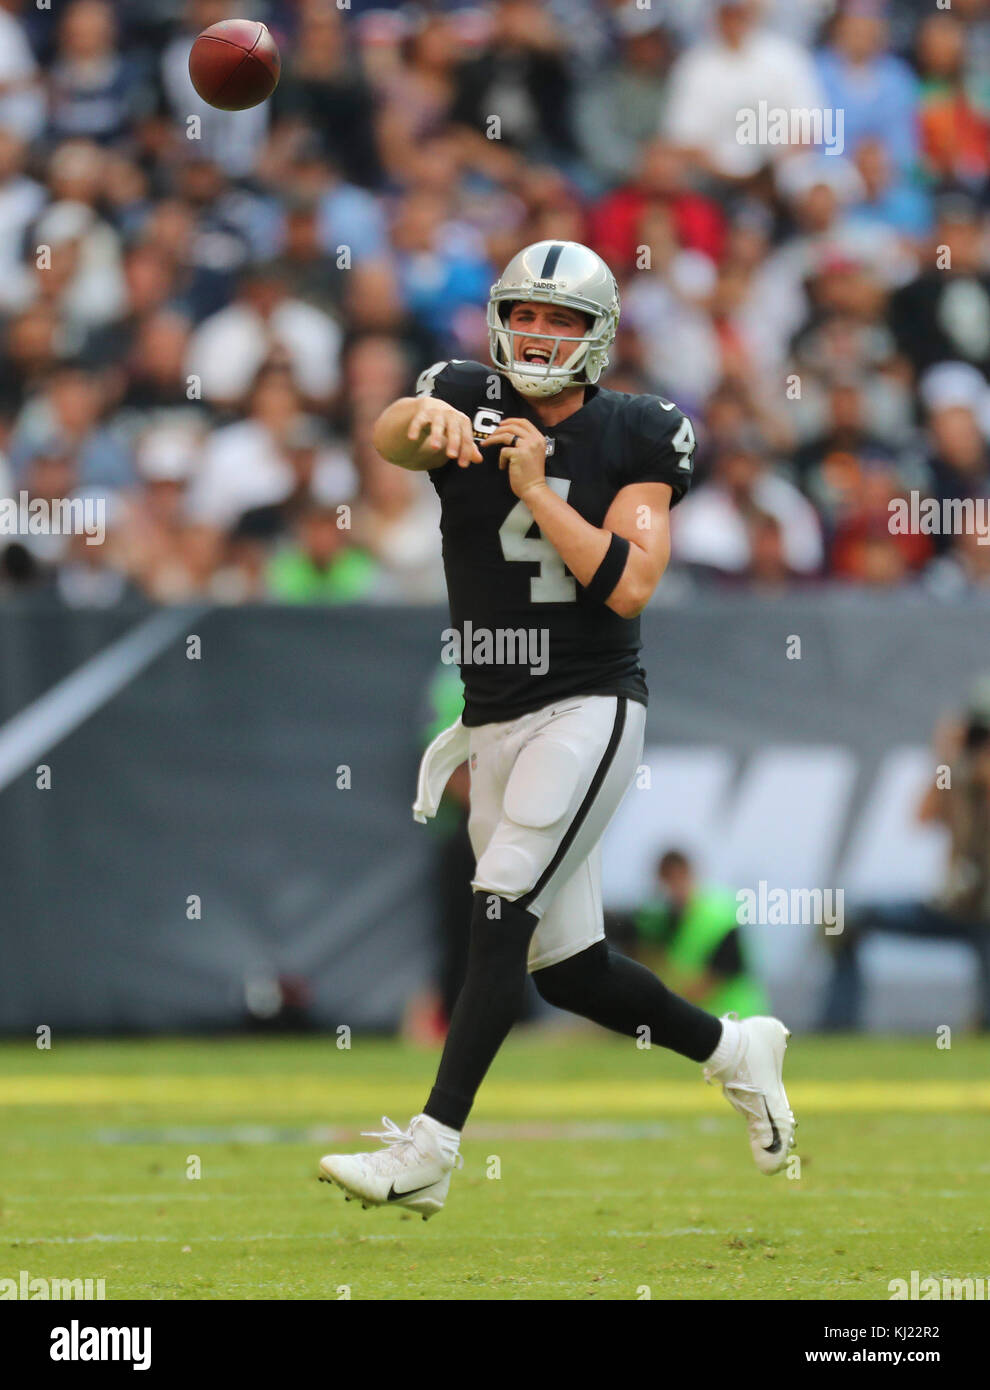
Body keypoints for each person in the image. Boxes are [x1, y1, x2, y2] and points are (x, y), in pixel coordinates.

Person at [319, 240, 796, 1220]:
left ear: (598, 336)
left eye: (560, 320)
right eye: (525, 315)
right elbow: (395, 439)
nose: (537, 335)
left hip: (588, 703)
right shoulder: (463, 384)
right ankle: (734, 1048)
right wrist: (425, 416)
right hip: (491, 715)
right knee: (569, 972)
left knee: (496, 911)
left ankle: (433, 1146)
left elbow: (630, 582)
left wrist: (539, 486)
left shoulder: (639, 430)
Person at [822, 677, 990, 1030]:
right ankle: (836, 1029)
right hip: (957, 907)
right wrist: (944, 760)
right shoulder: (959, 777)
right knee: (843, 918)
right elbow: (923, 817)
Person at [627, 849, 769, 1017]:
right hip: (698, 1018)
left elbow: (720, 975)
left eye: (675, 879)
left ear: (688, 874)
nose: (671, 888)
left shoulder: (720, 914)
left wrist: (661, 1000)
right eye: (667, 881)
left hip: (736, 1016)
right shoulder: (663, 918)